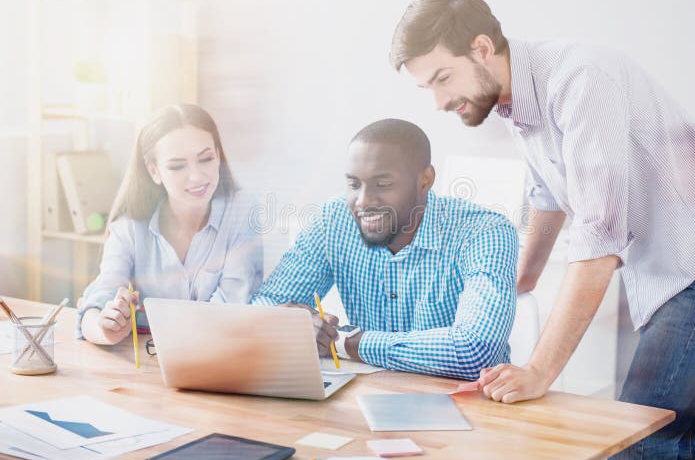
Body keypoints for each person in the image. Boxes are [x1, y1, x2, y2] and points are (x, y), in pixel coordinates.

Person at [390, 0, 695, 460]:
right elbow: (549, 196)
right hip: (677, 255)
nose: (440, 102)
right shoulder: (510, 99)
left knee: (635, 437)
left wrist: (538, 372)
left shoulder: (579, 80)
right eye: (427, 88)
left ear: (482, 48)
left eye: (443, 78)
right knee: (679, 432)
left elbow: (600, 233)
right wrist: (519, 281)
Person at [251, 119, 517, 380]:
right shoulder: (334, 220)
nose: (363, 201)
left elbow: (477, 350)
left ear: (425, 179)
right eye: (354, 184)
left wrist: (345, 342)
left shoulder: (485, 232)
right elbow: (262, 307)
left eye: (383, 184)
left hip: (469, 409)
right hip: (366, 399)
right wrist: (291, 325)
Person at [77, 103, 263, 345]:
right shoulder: (130, 227)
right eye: (177, 166)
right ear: (154, 171)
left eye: (206, 159)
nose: (196, 176)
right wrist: (105, 327)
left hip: (219, 357)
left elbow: (230, 310)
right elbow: (98, 300)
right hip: (149, 367)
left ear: (218, 156)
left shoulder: (243, 211)